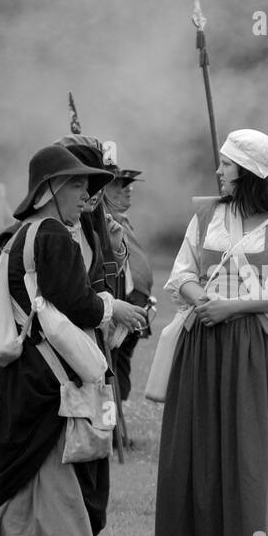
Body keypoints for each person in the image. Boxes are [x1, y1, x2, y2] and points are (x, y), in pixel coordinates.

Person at [0, 146, 146, 536]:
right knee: (41, 479)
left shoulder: (26, 232)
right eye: (78, 184)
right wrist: (114, 306)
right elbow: (75, 304)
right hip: (43, 374)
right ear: (52, 188)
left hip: (26, 370)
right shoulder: (53, 234)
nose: (87, 193)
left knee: (27, 475)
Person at [153, 129, 268, 536]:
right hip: (202, 343)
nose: (218, 171)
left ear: (245, 172)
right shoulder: (206, 215)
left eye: (226, 164)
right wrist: (202, 299)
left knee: (250, 456)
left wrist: (230, 308)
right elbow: (180, 273)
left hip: (254, 348)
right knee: (199, 452)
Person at [102, 167, 156, 404]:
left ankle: (117, 434)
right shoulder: (103, 221)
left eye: (129, 185)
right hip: (117, 307)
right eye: (121, 185)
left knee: (121, 368)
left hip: (134, 304)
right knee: (110, 371)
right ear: (103, 190)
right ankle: (111, 434)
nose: (129, 190)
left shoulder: (122, 221)